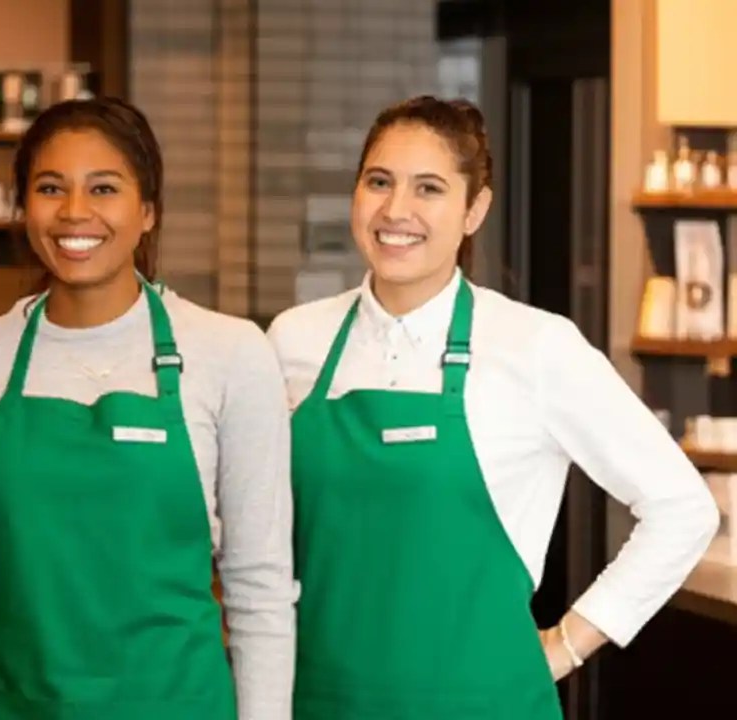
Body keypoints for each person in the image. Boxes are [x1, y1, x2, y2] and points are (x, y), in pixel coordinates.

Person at [266, 94, 720, 719]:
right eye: (378, 182)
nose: (396, 210)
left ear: (474, 209)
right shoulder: (294, 340)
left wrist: (567, 643)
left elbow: (683, 508)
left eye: (428, 188)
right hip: (319, 701)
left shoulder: (534, 346)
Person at [0, 97, 297, 720]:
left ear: (147, 211)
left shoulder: (231, 354)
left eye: (104, 188)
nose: (75, 212)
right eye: (50, 188)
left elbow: (259, 583)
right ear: (24, 206)